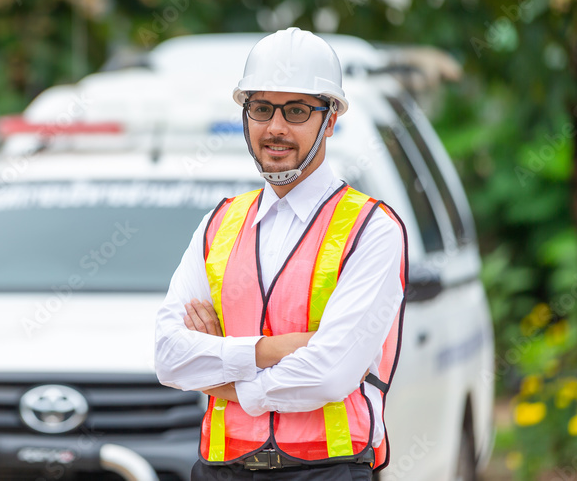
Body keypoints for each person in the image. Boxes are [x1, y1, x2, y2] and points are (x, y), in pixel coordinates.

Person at [154, 28, 408, 480]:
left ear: (329, 120)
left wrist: (224, 375)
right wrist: (276, 349)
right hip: (219, 469)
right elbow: (170, 357)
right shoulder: (220, 223)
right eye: (261, 108)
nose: (275, 127)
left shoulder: (372, 230)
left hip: (325, 472)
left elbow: (329, 373)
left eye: (295, 110)